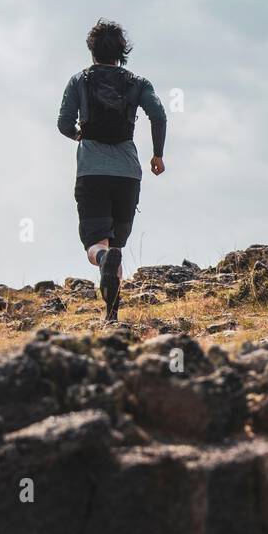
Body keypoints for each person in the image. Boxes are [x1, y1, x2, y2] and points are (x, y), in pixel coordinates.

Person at [57, 19, 167, 321]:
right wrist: (157, 155)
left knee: (97, 245)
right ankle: (112, 316)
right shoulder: (138, 83)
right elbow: (158, 115)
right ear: (122, 52)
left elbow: (64, 124)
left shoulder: (79, 80)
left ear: (92, 50)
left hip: (92, 172)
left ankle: (104, 259)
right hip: (128, 175)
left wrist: (80, 135)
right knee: (117, 243)